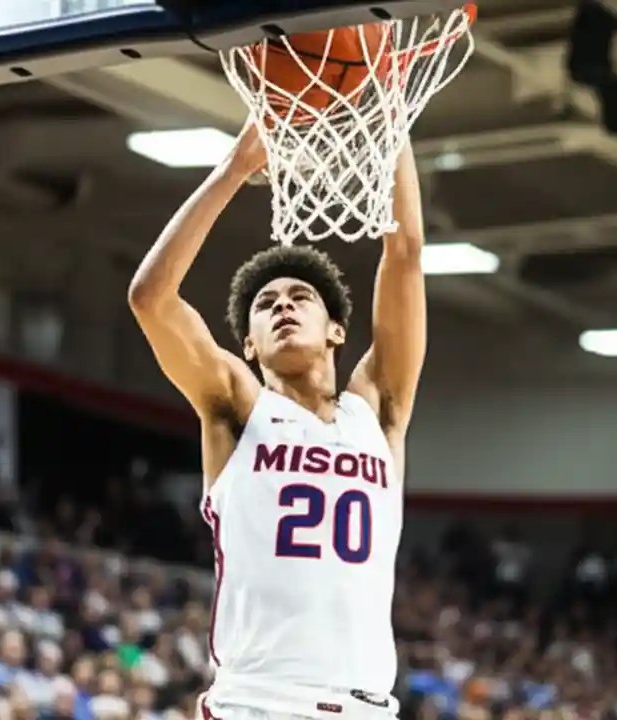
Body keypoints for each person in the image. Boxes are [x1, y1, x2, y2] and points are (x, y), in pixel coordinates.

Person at [128, 121, 428, 720]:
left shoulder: (378, 409)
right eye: (266, 305)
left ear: (337, 331)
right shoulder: (238, 409)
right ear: (248, 346)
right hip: (258, 705)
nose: (283, 306)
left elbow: (406, 253)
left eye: (299, 298)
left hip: (366, 708)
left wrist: (393, 117)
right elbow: (150, 298)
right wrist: (234, 168)